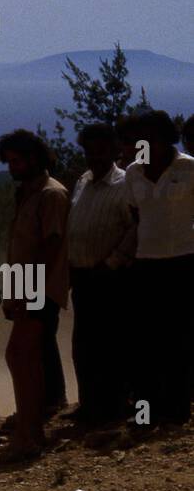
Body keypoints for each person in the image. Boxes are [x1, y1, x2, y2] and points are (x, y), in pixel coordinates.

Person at [0, 129, 71, 461]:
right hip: (27, 287)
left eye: (18, 160)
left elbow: (52, 245)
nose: (13, 166)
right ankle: (31, 430)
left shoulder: (51, 194)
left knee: (19, 355)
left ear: (35, 158)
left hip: (38, 289)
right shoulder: (27, 193)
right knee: (26, 358)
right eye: (9, 161)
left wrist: (30, 291)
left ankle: (29, 433)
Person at [124, 110, 194, 426]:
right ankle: (144, 414)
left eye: (152, 135)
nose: (146, 142)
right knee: (143, 343)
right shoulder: (133, 173)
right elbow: (136, 215)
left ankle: (176, 410)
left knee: (177, 339)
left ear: (167, 137)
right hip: (146, 265)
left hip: (182, 262)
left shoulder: (189, 168)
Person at [66, 123, 136, 424]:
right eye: (88, 150)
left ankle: (114, 408)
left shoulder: (124, 184)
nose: (94, 156)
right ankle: (89, 403)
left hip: (111, 278)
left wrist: (113, 262)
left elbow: (136, 227)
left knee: (112, 345)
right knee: (84, 346)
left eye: (100, 149)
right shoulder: (83, 181)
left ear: (114, 150)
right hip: (82, 277)